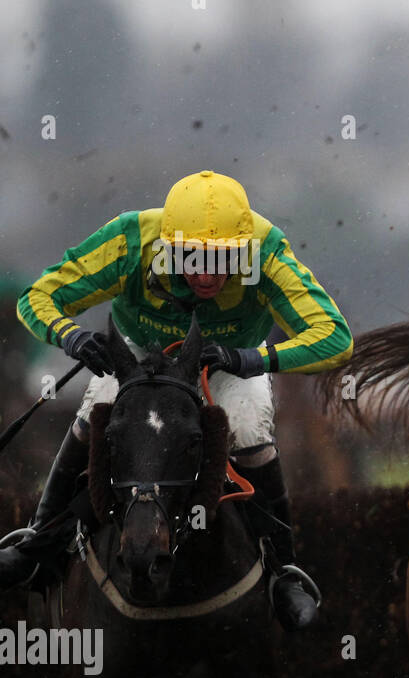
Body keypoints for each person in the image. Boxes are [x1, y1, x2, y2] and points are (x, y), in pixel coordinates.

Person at [2, 170, 353, 630]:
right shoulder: (130, 239)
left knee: (247, 426)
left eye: (223, 259)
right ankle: (39, 542)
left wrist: (251, 357)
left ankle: (283, 570)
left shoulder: (268, 250)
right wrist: (70, 336)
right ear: (167, 246)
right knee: (96, 412)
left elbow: (335, 337)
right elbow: (38, 296)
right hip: (139, 359)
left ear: (245, 251)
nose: (206, 274)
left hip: (222, 364)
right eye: (191, 257)